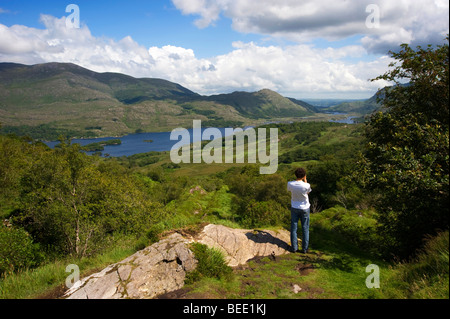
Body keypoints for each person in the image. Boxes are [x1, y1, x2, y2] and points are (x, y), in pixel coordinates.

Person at [287, 168, 312, 254]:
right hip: (305, 208)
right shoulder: (307, 185)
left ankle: (294, 248)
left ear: (295, 175)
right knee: (305, 228)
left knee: (294, 228)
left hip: (294, 207)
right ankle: (304, 249)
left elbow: (290, 190)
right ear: (304, 176)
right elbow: (307, 193)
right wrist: (305, 181)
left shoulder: (290, 184)